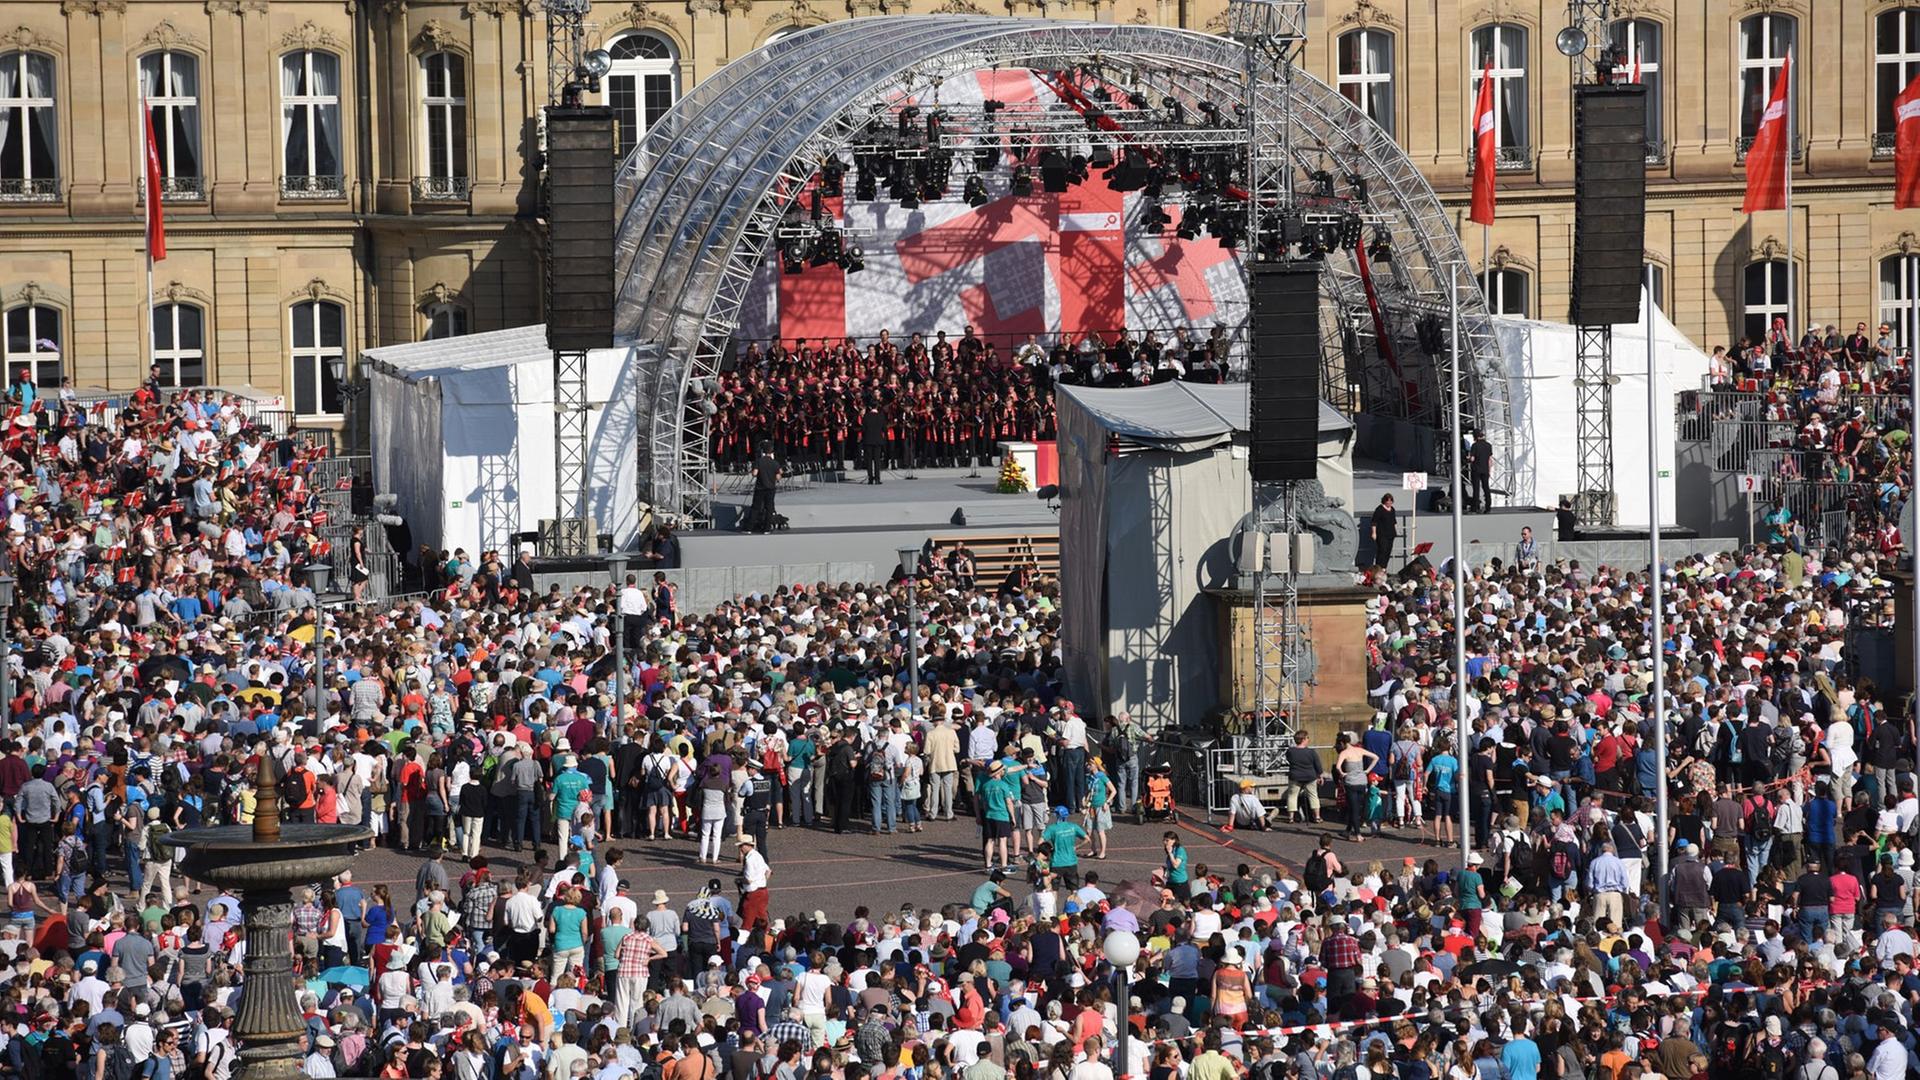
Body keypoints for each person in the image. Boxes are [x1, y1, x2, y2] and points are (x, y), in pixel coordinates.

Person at [1369, 494, 1397, 571]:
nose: (1390, 503)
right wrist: (1374, 533)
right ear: (1384, 501)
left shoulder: (1392, 510)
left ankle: (1384, 568)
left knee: (1388, 551)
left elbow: (1394, 521)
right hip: (1382, 534)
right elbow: (1374, 522)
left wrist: (1395, 530)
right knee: (1382, 551)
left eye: (1391, 501)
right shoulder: (1379, 509)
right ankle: (1378, 568)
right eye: (1388, 501)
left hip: (1391, 534)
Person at [1468, 428, 1494, 513]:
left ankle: (1475, 508)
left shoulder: (1474, 446)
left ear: (1475, 436)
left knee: (1476, 489)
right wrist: (1489, 470)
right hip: (1485, 470)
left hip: (1476, 469)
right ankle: (1488, 507)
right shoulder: (1488, 445)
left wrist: (1467, 458)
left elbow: (1472, 459)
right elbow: (1490, 460)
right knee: (1486, 488)